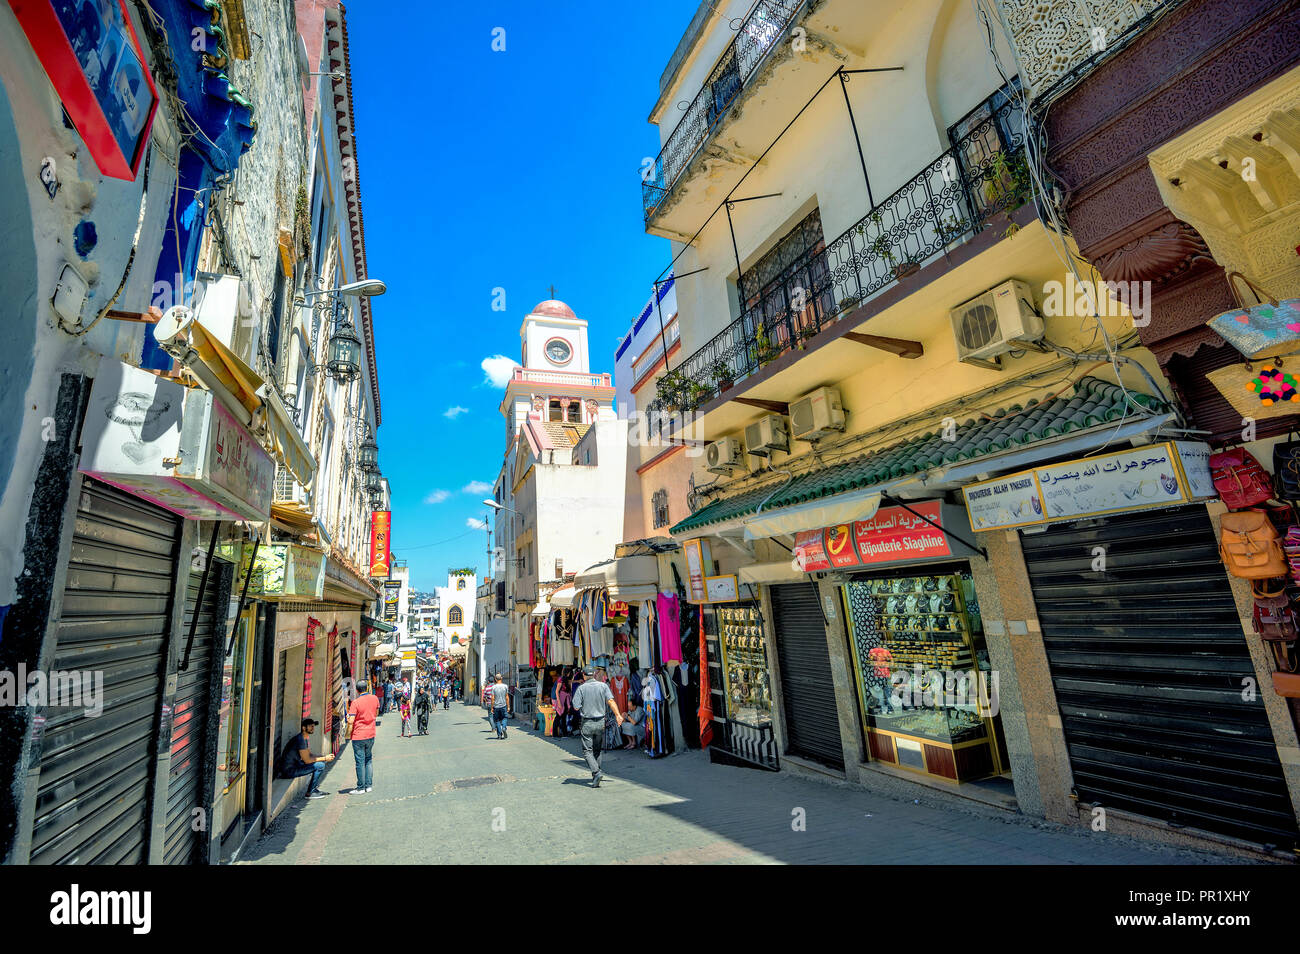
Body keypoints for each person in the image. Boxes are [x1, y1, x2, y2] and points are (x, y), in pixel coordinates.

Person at [571, 665, 622, 787]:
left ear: (584, 675)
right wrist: (618, 715)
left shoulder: (581, 688)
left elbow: (576, 707)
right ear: (594, 674)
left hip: (587, 722)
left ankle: (596, 772)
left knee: (587, 751)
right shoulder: (603, 686)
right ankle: (596, 776)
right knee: (597, 750)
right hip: (600, 722)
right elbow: (611, 701)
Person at [277, 718, 334, 799]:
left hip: (296, 765)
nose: (313, 728)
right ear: (304, 728)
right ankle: (310, 793)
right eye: (311, 726)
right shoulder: (300, 740)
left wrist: (321, 756)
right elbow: (307, 760)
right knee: (320, 765)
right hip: (289, 771)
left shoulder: (304, 738)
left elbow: (309, 755)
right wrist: (324, 758)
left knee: (321, 761)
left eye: (313, 726)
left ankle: (314, 790)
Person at [346, 680, 379, 794]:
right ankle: (368, 785)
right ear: (367, 688)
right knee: (368, 759)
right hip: (371, 733)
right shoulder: (375, 698)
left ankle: (360, 787)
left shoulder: (355, 702)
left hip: (358, 735)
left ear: (357, 690)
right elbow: (376, 713)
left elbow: (351, 721)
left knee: (360, 762)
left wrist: (347, 717)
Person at [489, 674, 511, 739]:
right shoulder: (505, 686)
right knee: (504, 718)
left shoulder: (493, 687)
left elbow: (492, 698)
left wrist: (492, 707)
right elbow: (507, 697)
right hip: (503, 705)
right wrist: (508, 706)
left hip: (496, 706)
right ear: (501, 678)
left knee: (497, 720)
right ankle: (504, 727)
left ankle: (499, 735)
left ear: (495, 679)